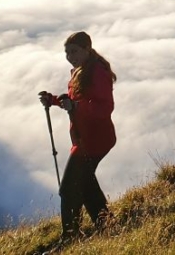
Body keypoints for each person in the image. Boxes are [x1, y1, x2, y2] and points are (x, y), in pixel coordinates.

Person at [38, 31, 116, 239]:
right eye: (67, 52)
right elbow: (77, 101)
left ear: (87, 49)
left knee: (69, 189)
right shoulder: (83, 69)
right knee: (86, 185)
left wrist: (75, 106)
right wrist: (53, 100)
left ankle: (71, 237)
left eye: (74, 51)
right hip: (90, 139)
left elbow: (105, 107)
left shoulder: (97, 72)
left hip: (92, 141)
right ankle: (107, 226)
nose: (70, 56)